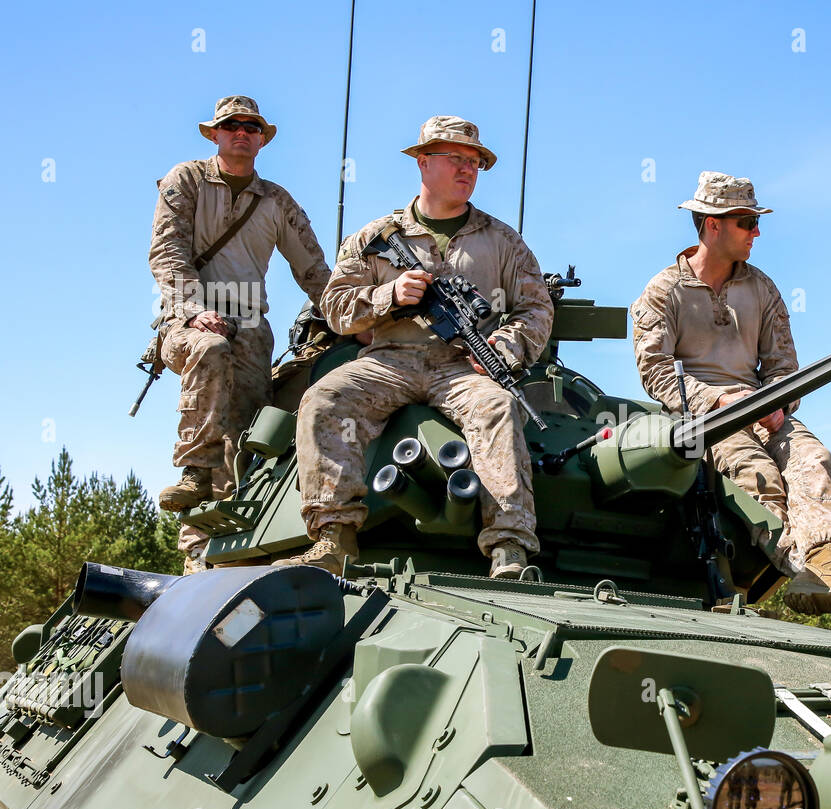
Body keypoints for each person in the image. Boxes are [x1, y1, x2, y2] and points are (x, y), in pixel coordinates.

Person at [277, 116, 552, 576]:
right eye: (456, 159)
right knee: (325, 398)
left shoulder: (502, 241)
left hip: (462, 365)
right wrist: (390, 295)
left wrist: (503, 348)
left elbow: (536, 309)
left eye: (475, 162)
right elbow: (336, 307)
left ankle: (509, 547)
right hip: (389, 360)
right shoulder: (376, 237)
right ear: (424, 162)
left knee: (498, 408)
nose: (468, 169)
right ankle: (334, 537)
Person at [630, 171, 831, 624]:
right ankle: (819, 574)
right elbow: (654, 371)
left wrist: (779, 402)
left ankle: (825, 565)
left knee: (814, 459)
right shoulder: (663, 292)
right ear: (712, 225)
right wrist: (715, 403)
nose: (757, 232)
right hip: (700, 419)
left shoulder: (762, 289)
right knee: (757, 477)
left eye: (755, 222)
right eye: (746, 223)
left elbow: (782, 368)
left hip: (762, 410)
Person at [149, 95, 330, 574]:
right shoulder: (185, 180)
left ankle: (216, 556)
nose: (242, 133)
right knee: (209, 350)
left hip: (251, 327)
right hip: (187, 320)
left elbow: (315, 272)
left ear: (262, 138)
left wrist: (354, 318)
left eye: (252, 127)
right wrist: (193, 311)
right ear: (214, 133)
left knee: (245, 443)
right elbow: (167, 253)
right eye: (232, 125)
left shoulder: (276, 201)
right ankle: (193, 472)